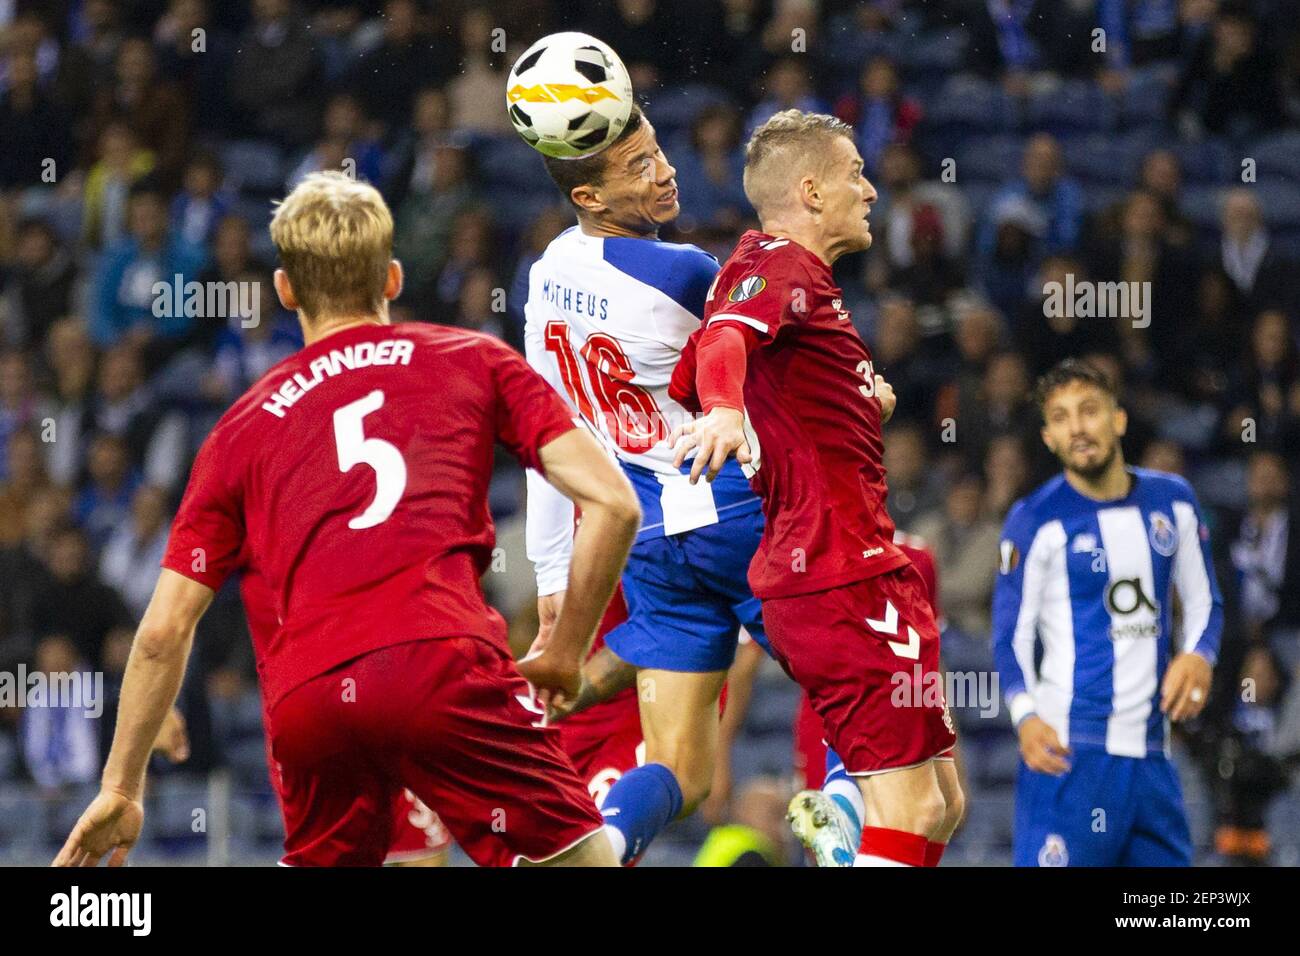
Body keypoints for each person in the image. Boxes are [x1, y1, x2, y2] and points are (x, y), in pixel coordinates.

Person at [53, 171, 639, 868]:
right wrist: (568, 650)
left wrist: (121, 786)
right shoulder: (472, 359)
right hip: (440, 661)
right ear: (392, 278)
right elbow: (614, 502)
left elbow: (161, 634)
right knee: (583, 862)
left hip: (309, 698)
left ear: (285, 291)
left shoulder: (240, 428)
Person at [671, 110, 962, 867]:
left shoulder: (788, 281)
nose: (870, 190)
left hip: (860, 566)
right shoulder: (779, 266)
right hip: (834, 574)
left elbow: (708, 363)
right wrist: (730, 409)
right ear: (809, 189)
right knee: (909, 808)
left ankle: (843, 828)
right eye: (854, 173)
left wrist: (855, 403)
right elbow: (725, 344)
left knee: (941, 805)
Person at [524, 104, 768, 865]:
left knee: (681, 771)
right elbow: (769, 358)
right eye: (638, 167)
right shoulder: (688, 272)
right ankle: (853, 821)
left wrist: (550, 572)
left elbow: (545, 431)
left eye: (658, 151)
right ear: (589, 196)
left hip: (652, 536)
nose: (664, 171)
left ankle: (598, 847)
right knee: (859, 681)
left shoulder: (550, 270)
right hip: (733, 512)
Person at [993, 359, 1221, 866]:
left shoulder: (1174, 501)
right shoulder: (1033, 520)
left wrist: (1200, 654)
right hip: (1069, 754)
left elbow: (1206, 600)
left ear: (1118, 419)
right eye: (1060, 417)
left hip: (1152, 759)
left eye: (1089, 410)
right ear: (1048, 437)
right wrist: (1025, 717)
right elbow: (1009, 636)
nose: (1077, 427)